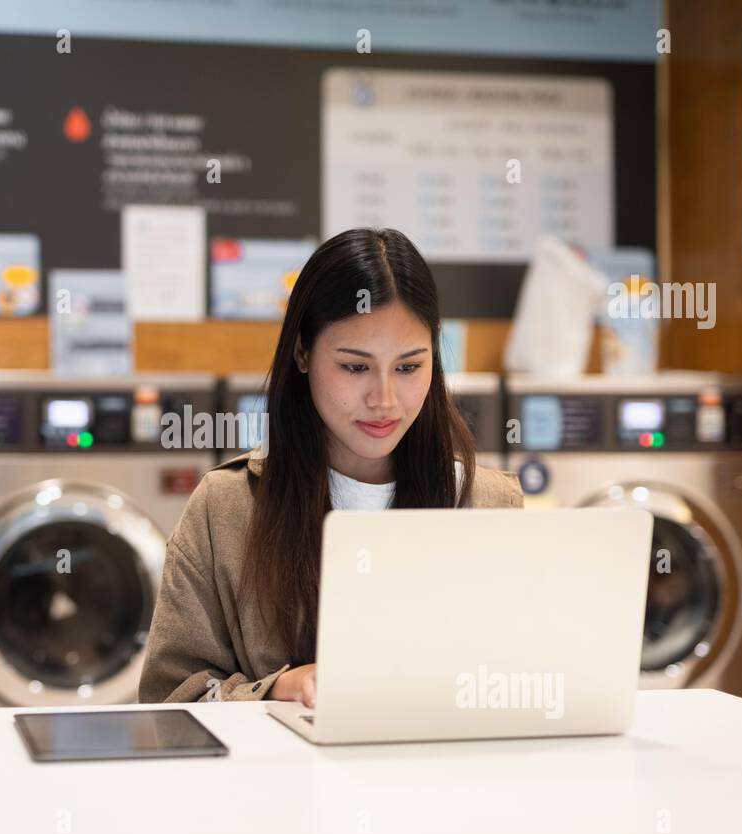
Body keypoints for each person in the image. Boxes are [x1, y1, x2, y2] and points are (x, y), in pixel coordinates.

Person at [138, 227, 523, 706]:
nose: (384, 400)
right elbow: (169, 697)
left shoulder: (489, 505)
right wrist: (274, 688)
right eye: (355, 367)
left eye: (408, 367)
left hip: (440, 777)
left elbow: (523, 681)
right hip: (277, 780)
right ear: (302, 352)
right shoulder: (226, 509)